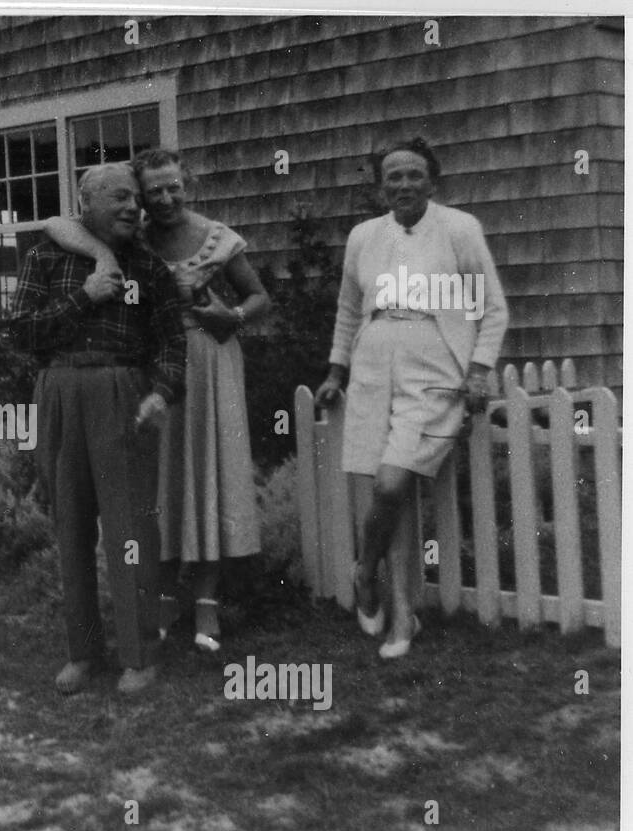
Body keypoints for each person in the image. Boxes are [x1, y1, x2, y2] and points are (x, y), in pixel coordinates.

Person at [45, 149, 270, 653]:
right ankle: (166, 595)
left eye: (174, 187)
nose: (165, 198)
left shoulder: (217, 237)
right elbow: (58, 222)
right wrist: (104, 258)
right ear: (140, 197)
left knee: (208, 474)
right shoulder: (132, 236)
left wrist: (228, 315)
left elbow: (259, 298)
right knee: (161, 480)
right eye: (154, 191)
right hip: (154, 367)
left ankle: (207, 602)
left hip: (211, 360)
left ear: (186, 184)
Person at [313, 137, 508, 658]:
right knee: (387, 491)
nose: (403, 184)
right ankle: (403, 614)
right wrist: (337, 371)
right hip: (374, 362)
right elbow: (349, 310)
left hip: (435, 363)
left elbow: (492, 309)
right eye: (393, 176)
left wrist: (478, 370)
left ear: (432, 181)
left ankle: (364, 568)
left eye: (414, 175)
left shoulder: (459, 229)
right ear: (381, 185)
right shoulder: (363, 236)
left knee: (392, 482)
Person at [9, 162, 188, 695]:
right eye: (119, 199)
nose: (133, 207)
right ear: (86, 205)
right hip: (59, 390)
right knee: (72, 526)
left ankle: (140, 654)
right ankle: (83, 652)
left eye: (135, 198)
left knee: (132, 529)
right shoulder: (45, 256)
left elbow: (171, 342)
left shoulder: (149, 268)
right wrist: (84, 295)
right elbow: (21, 331)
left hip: (122, 391)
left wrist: (161, 391)